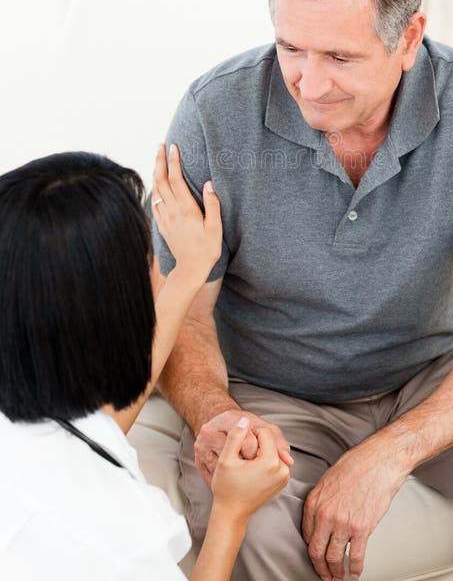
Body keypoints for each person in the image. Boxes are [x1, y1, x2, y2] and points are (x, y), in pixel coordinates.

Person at [154, 0, 453, 581]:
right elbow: (181, 314)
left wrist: (389, 453)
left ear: (409, 39)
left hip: (426, 372)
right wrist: (219, 415)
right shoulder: (214, 112)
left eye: (340, 57)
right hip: (269, 393)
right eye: (291, 48)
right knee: (254, 525)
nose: (309, 84)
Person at [0, 146, 290, 581]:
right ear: (118, 315)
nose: (158, 273)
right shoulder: (116, 539)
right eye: (151, 262)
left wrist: (190, 271)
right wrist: (232, 513)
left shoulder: (37, 424)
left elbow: (88, 433)